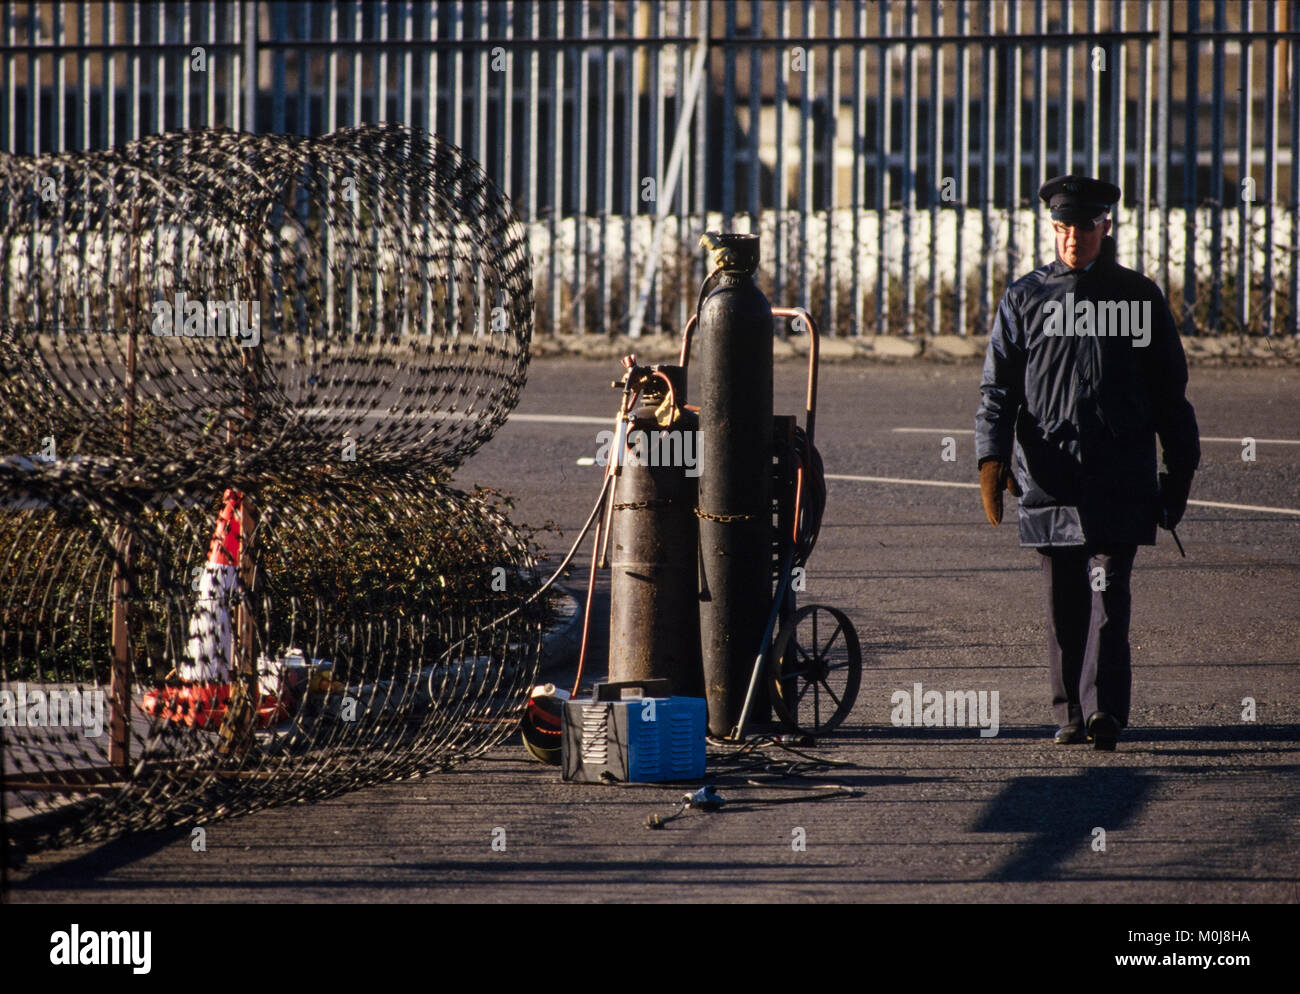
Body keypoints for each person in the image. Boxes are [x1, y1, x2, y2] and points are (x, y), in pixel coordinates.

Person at [974, 175, 1200, 751]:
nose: (1073, 237)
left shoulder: (1138, 297)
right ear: (1052, 229)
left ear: (1106, 226)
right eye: (1063, 226)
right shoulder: (1025, 298)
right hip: (1049, 477)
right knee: (1062, 606)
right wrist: (990, 458)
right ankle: (1070, 713)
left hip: (1118, 476)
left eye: (1084, 225)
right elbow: (997, 389)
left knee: (1108, 595)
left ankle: (1104, 712)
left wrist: (1179, 470)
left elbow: (1170, 392)